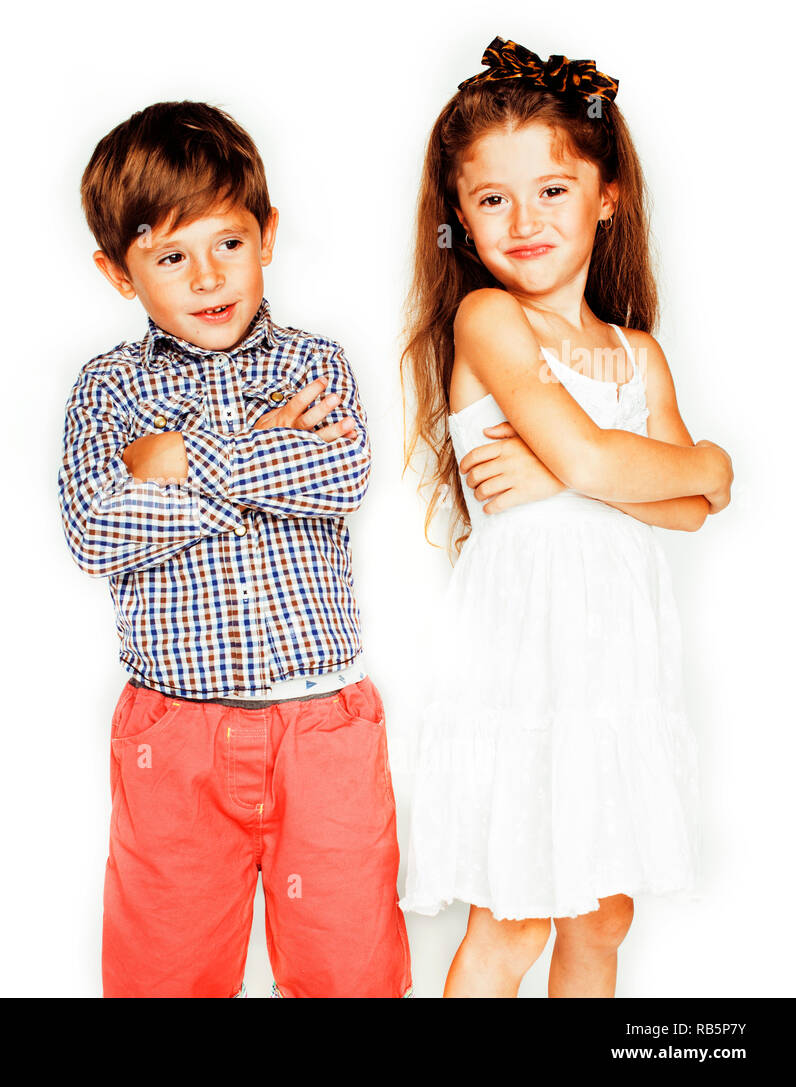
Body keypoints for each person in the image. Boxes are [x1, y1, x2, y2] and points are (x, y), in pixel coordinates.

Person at [397, 38, 734, 997]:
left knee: (602, 911)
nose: (524, 219)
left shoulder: (638, 353)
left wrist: (688, 474)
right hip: (524, 658)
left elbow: (686, 512)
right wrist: (701, 464)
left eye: (551, 189)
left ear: (606, 195)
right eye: (491, 198)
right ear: (457, 216)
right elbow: (608, 460)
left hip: (612, 668)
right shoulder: (489, 322)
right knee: (515, 914)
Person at [57, 100, 411, 997]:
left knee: (351, 968)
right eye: (171, 256)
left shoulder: (314, 365)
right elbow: (97, 531)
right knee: (164, 973)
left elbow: (342, 474)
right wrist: (264, 453)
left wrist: (176, 462)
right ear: (118, 272)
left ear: (268, 235)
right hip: (173, 735)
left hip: (321, 729)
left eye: (228, 244)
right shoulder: (105, 392)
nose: (207, 276)